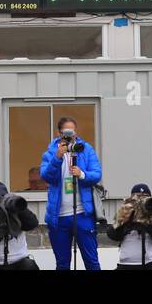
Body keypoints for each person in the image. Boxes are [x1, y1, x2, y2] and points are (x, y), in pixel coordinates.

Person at [40, 115, 103, 270]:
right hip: (59, 217)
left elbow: (96, 174)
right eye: (65, 133)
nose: (69, 136)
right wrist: (58, 156)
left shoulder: (86, 149)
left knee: (91, 261)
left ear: (76, 132)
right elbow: (46, 176)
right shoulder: (50, 153)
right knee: (62, 263)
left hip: (82, 213)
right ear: (58, 133)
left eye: (72, 132)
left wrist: (82, 174)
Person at [107, 183, 152, 270]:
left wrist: (149, 223)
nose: (140, 201)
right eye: (137, 197)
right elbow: (113, 235)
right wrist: (121, 221)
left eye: (145, 198)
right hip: (126, 263)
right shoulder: (126, 214)